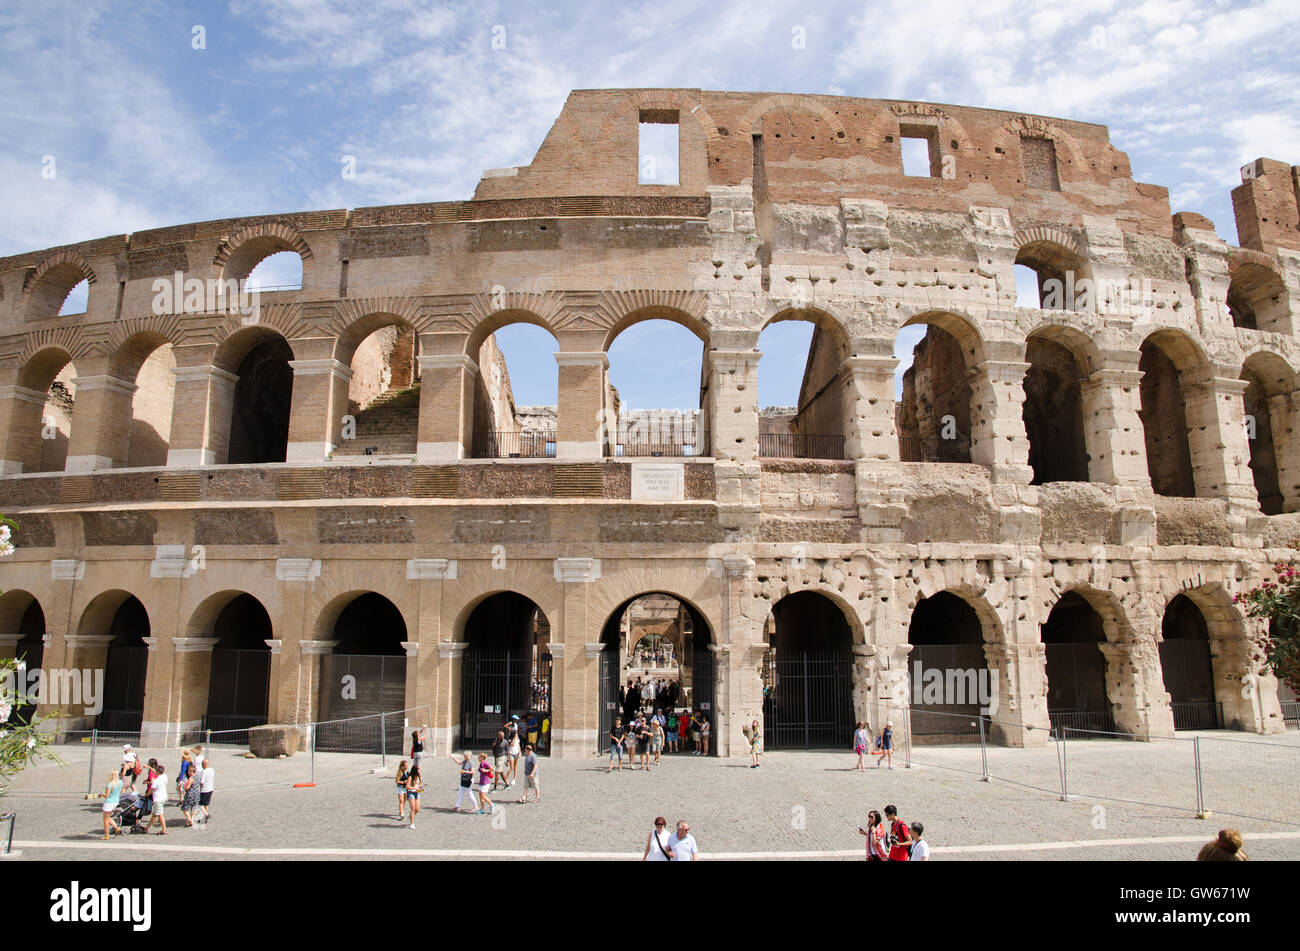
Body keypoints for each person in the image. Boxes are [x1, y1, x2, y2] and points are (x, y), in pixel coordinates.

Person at [143, 759, 169, 835]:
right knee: (154, 814)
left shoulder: (156, 781)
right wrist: (148, 767)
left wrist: (146, 794)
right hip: (164, 797)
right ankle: (147, 827)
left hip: (158, 799)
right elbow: (154, 771)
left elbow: (151, 790)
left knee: (160, 815)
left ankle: (164, 829)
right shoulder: (164, 776)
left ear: (157, 772)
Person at [180, 753, 202, 826]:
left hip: (190, 794)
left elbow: (187, 788)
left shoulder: (191, 778)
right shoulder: (197, 777)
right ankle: (191, 819)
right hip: (197, 794)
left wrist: (183, 786)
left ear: (192, 771)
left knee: (185, 808)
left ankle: (189, 819)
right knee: (193, 807)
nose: (188, 772)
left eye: (189, 771)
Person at [101, 771, 123, 839]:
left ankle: (107, 835)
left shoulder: (110, 785)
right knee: (108, 817)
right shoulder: (120, 782)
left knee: (105, 819)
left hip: (109, 802)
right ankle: (116, 828)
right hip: (115, 801)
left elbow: (107, 795)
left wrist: (101, 794)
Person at [405, 765, 423, 829]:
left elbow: (419, 784)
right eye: (418, 769)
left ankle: (410, 816)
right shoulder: (410, 777)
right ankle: (412, 823)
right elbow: (407, 786)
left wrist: (420, 788)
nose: (419, 770)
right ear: (415, 769)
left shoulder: (419, 776)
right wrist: (414, 788)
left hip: (416, 793)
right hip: (411, 793)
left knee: (417, 809)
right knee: (413, 808)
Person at [198, 758, 215, 823]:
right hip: (211, 789)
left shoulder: (204, 772)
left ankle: (206, 815)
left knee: (200, 805)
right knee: (206, 804)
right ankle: (204, 818)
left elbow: (202, 782)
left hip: (204, 790)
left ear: (204, 765)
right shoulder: (212, 770)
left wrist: (199, 787)